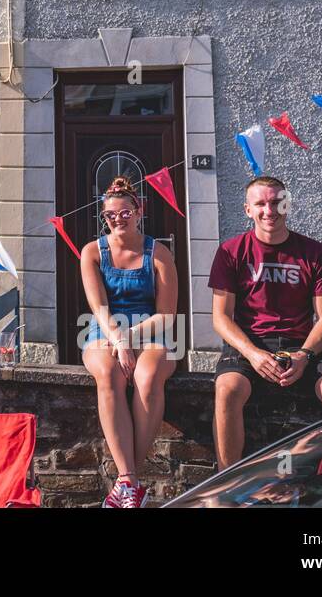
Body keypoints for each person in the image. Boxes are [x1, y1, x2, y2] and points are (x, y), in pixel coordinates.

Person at [210, 176, 322, 471]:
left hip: (300, 348)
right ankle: (224, 495)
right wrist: (252, 354)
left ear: (287, 204)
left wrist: (304, 355)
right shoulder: (230, 252)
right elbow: (221, 318)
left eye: (277, 202)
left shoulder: (314, 252)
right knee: (226, 389)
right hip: (248, 348)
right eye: (261, 204)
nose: (270, 210)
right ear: (247, 210)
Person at [80, 176, 178, 508]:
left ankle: (127, 482)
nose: (118, 219)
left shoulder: (159, 253)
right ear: (103, 217)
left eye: (125, 213)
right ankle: (130, 480)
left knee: (148, 377)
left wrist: (129, 338)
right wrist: (117, 338)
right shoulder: (92, 252)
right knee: (108, 374)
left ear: (139, 211)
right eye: (111, 215)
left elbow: (167, 315)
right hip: (104, 329)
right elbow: (98, 306)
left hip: (152, 329)